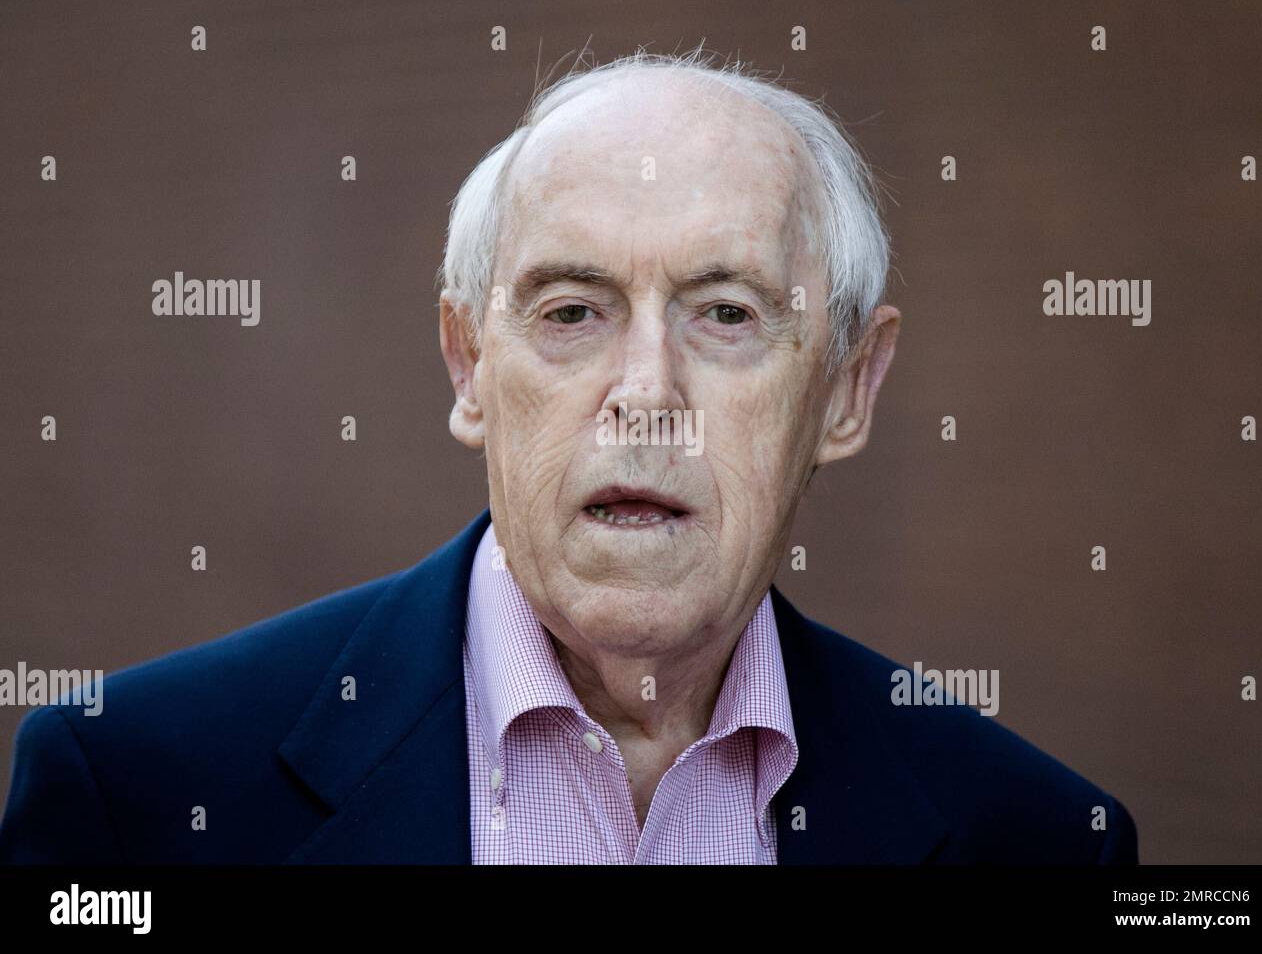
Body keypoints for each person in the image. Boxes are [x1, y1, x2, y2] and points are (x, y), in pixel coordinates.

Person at [0, 50, 1137, 864]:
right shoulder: (138, 792)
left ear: (846, 388)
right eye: (572, 311)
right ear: (467, 365)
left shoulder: (1033, 835)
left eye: (726, 314)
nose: (645, 397)